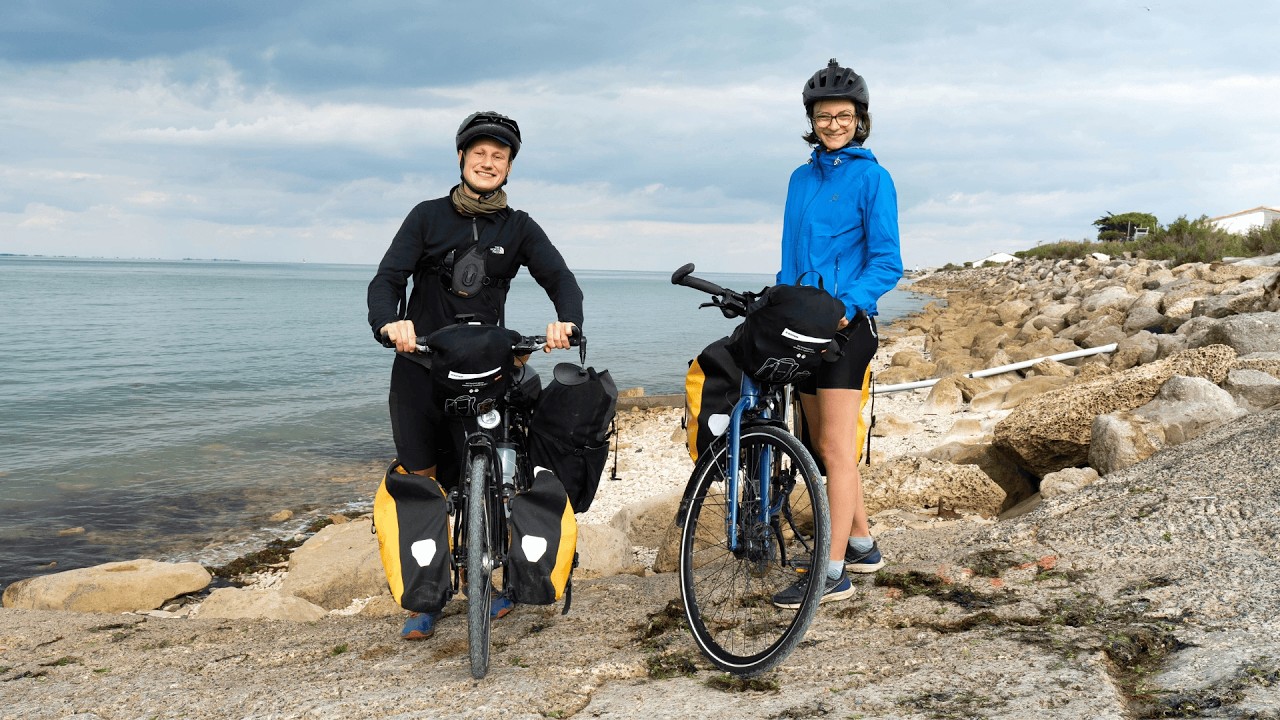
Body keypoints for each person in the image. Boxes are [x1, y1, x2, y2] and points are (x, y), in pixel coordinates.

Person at [367, 111, 585, 639]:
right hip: (422, 364)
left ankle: (505, 582)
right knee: (420, 479)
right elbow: (387, 278)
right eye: (479, 153)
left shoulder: (519, 227)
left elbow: (560, 278)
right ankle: (426, 598)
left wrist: (567, 320)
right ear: (462, 158)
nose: (488, 163)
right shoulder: (426, 216)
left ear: (509, 167)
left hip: (488, 367)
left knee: (498, 476)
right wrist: (388, 322)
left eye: (499, 156)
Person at [771, 59, 904, 609]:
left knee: (833, 446)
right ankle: (863, 546)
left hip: (847, 330)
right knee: (823, 449)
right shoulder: (800, 179)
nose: (833, 124)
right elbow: (788, 257)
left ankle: (832, 573)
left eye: (843, 116)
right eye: (824, 116)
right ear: (812, 119)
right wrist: (777, 305)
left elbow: (887, 261)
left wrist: (848, 308)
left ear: (859, 119)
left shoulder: (874, 178)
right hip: (801, 326)